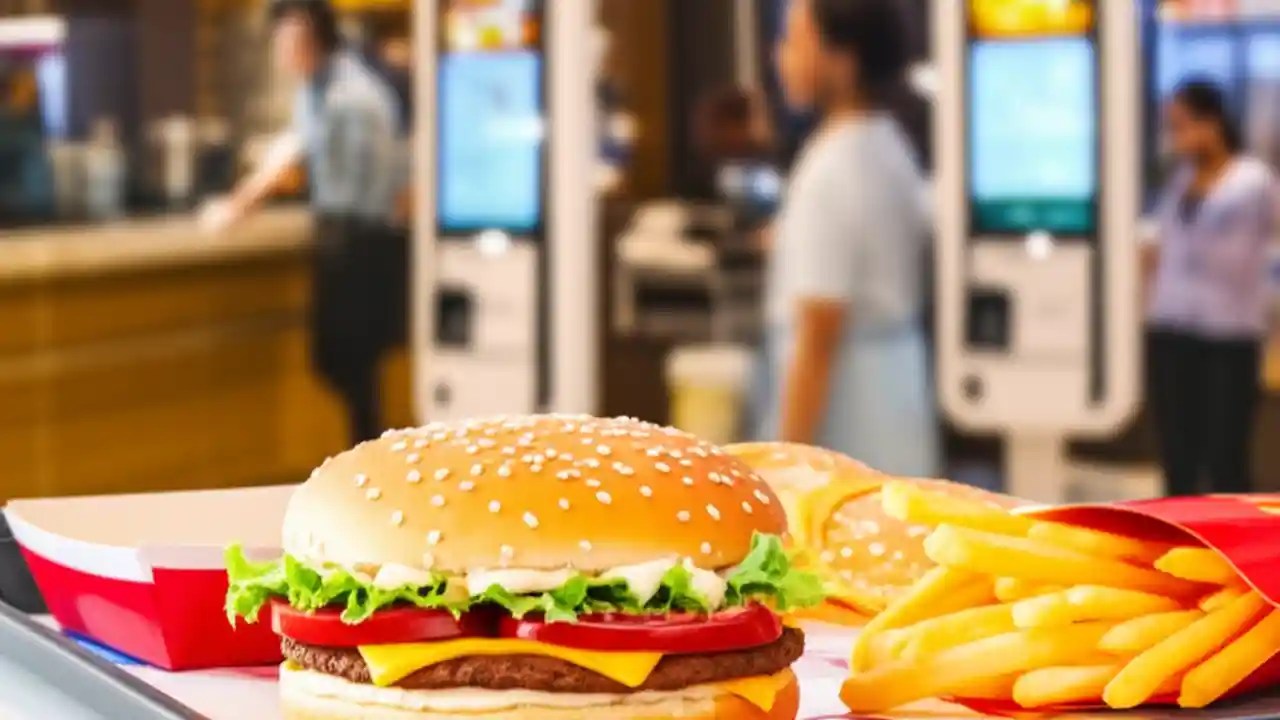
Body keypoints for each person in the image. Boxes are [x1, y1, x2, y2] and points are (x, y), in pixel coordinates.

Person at [201, 0, 407, 445]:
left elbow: (287, 159)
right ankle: (366, 463)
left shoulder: (344, 95)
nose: (280, 54)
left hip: (359, 243)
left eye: (285, 42)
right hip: (351, 238)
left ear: (309, 37)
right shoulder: (323, 85)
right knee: (351, 369)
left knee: (348, 364)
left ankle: (368, 467)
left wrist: (236, 208)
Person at [755, 0, 938, 476]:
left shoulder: (834, 166)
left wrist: (782, 466)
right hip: (896, 396)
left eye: (795, 40)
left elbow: (818, 330)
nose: (781, 57)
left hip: (850, 410)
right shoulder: (887, 142)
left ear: (844, 58)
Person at [1145, 79, 1277, 496]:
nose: (1177, 138)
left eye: (1183, 126)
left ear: (1212, 122)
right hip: (1171, 327)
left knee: (1225, 457)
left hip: (1228, 334)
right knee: (1177, 455)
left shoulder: (1252, 180)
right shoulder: (1181, 180)